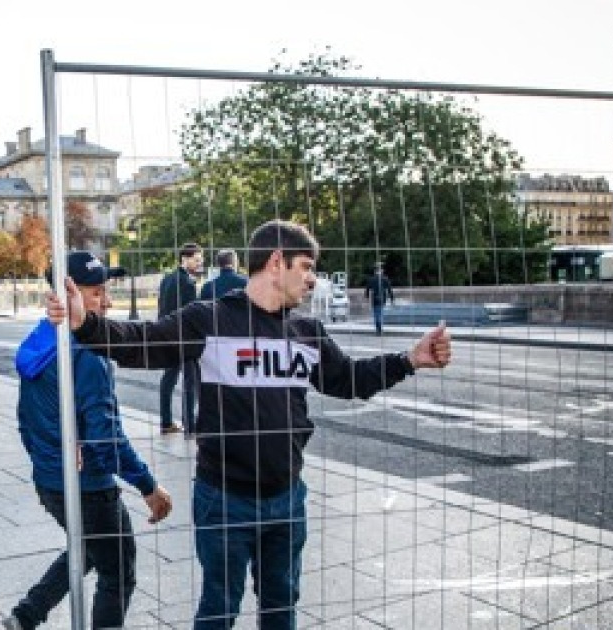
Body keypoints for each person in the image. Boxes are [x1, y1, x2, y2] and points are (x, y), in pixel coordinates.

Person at [47, 220, 452, 630]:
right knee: (219, 610)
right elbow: (143, 342)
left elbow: (350, 379)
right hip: (225, 499)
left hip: (288, 500)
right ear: (277, 262)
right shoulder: (212, 319)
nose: (312, 280)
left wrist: (410, 360)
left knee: (281, 607)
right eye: (306, 267)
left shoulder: (306, 332)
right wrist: (86, 325)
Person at [0, 251, 174, 630]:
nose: (107, 302)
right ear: (68, 294)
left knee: (86, 549)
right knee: (119, 572)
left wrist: (52, 453)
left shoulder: (41, 341)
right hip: (88, 486)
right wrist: (148, 485)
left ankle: (23, 619)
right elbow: (106, 440)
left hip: (50, 480)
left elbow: (26, 419)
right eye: (97, 293)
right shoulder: (89, 354)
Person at [156, 242, 203, 435]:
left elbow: (161, 307)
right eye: (197, 259)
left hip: (166, 334)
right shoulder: (188, 283)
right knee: (190, 382)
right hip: (184, 337)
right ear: (185, 258)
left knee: (168, 379)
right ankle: (190, 425)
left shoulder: (167, 279)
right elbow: (192, 313)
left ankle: (166, 422)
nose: (200, 263)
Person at [364, 266, 395, 335]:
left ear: (375, 272)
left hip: (374, 298)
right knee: (380, 313)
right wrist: (392, 299)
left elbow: (367, 289)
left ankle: (378, 329)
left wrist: (366, 298)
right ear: (381, 271)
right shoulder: (385, 279)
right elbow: (389, 289)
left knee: (376, 314)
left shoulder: (371, 279)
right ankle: (380, 328)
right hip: (382, 298)